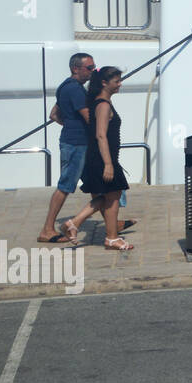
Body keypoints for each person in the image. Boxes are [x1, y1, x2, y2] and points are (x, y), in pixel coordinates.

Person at [63, 67, 134, 251]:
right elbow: (101, 135)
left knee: (110, 195)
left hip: (101, 157)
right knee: (113, 194)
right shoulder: (103, 105)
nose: (120, 84)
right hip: (103, 158)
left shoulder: (98, 102)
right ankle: (105, 235)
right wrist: (108, 164)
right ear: (104, 83)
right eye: (116, 81)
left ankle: (97, 232)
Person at [39, 53, 95, 243]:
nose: (92, 71)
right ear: (75, 68)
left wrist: (69, 124)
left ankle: (112, 222)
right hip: (77, 144)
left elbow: (54, 114)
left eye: (93, 67)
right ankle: (47, 229)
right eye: (89, 68)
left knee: (97, 183)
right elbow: (89, 117)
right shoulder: (76, 90)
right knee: (65, 186)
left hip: (72, 140)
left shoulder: (65, 87)